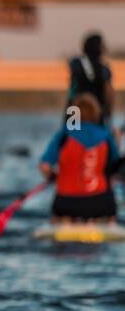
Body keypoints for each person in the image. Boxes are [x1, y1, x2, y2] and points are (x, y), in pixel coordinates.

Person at [40, 93, 118, 223]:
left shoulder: (65, 134)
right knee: (109, 207)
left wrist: (53, 177)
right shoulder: (106, 135)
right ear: (96, 113)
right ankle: (109, 223)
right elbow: (115, 167)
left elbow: (45, 167)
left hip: (66, 204)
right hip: (101, 204)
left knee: (58, 217)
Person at [68, 33, 113, 124]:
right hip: (97, 114)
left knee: (72, 135)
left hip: (74, 112)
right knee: (98, 135)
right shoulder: (103, 69)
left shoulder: (76, 64)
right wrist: (108, 116)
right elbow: (108, 94)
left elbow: (72, 92)